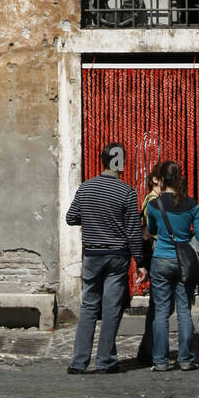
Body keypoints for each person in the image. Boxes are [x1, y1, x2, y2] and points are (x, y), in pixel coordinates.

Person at [65, 141, 146, 374]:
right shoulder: (127, 192)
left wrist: (92, 220)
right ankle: (105, 361)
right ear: (120, 163)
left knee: (89, 305)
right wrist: (140, 262)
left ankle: (78, 362)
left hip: (92, 254)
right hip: (117, 256)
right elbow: (133, 230)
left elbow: (71, 218)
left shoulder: (85, 188)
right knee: (112, 308)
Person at [144, 160, 199, 371]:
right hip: (185, 262)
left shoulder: (154, 205)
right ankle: (186, 359)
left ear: (162, 180)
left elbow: (151, 229)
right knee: (184, 310)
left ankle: (160, 361)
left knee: (161, 312)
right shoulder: (192, 205)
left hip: (161, 259)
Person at [136, 164, 165, 366]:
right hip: (157, 256)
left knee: (160, 306)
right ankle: (148, 350)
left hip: (158, 256)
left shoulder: (159, 199)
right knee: (159, 306)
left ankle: (148, 349)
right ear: (155, 179)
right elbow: (150, 232)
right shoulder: (152, 201)